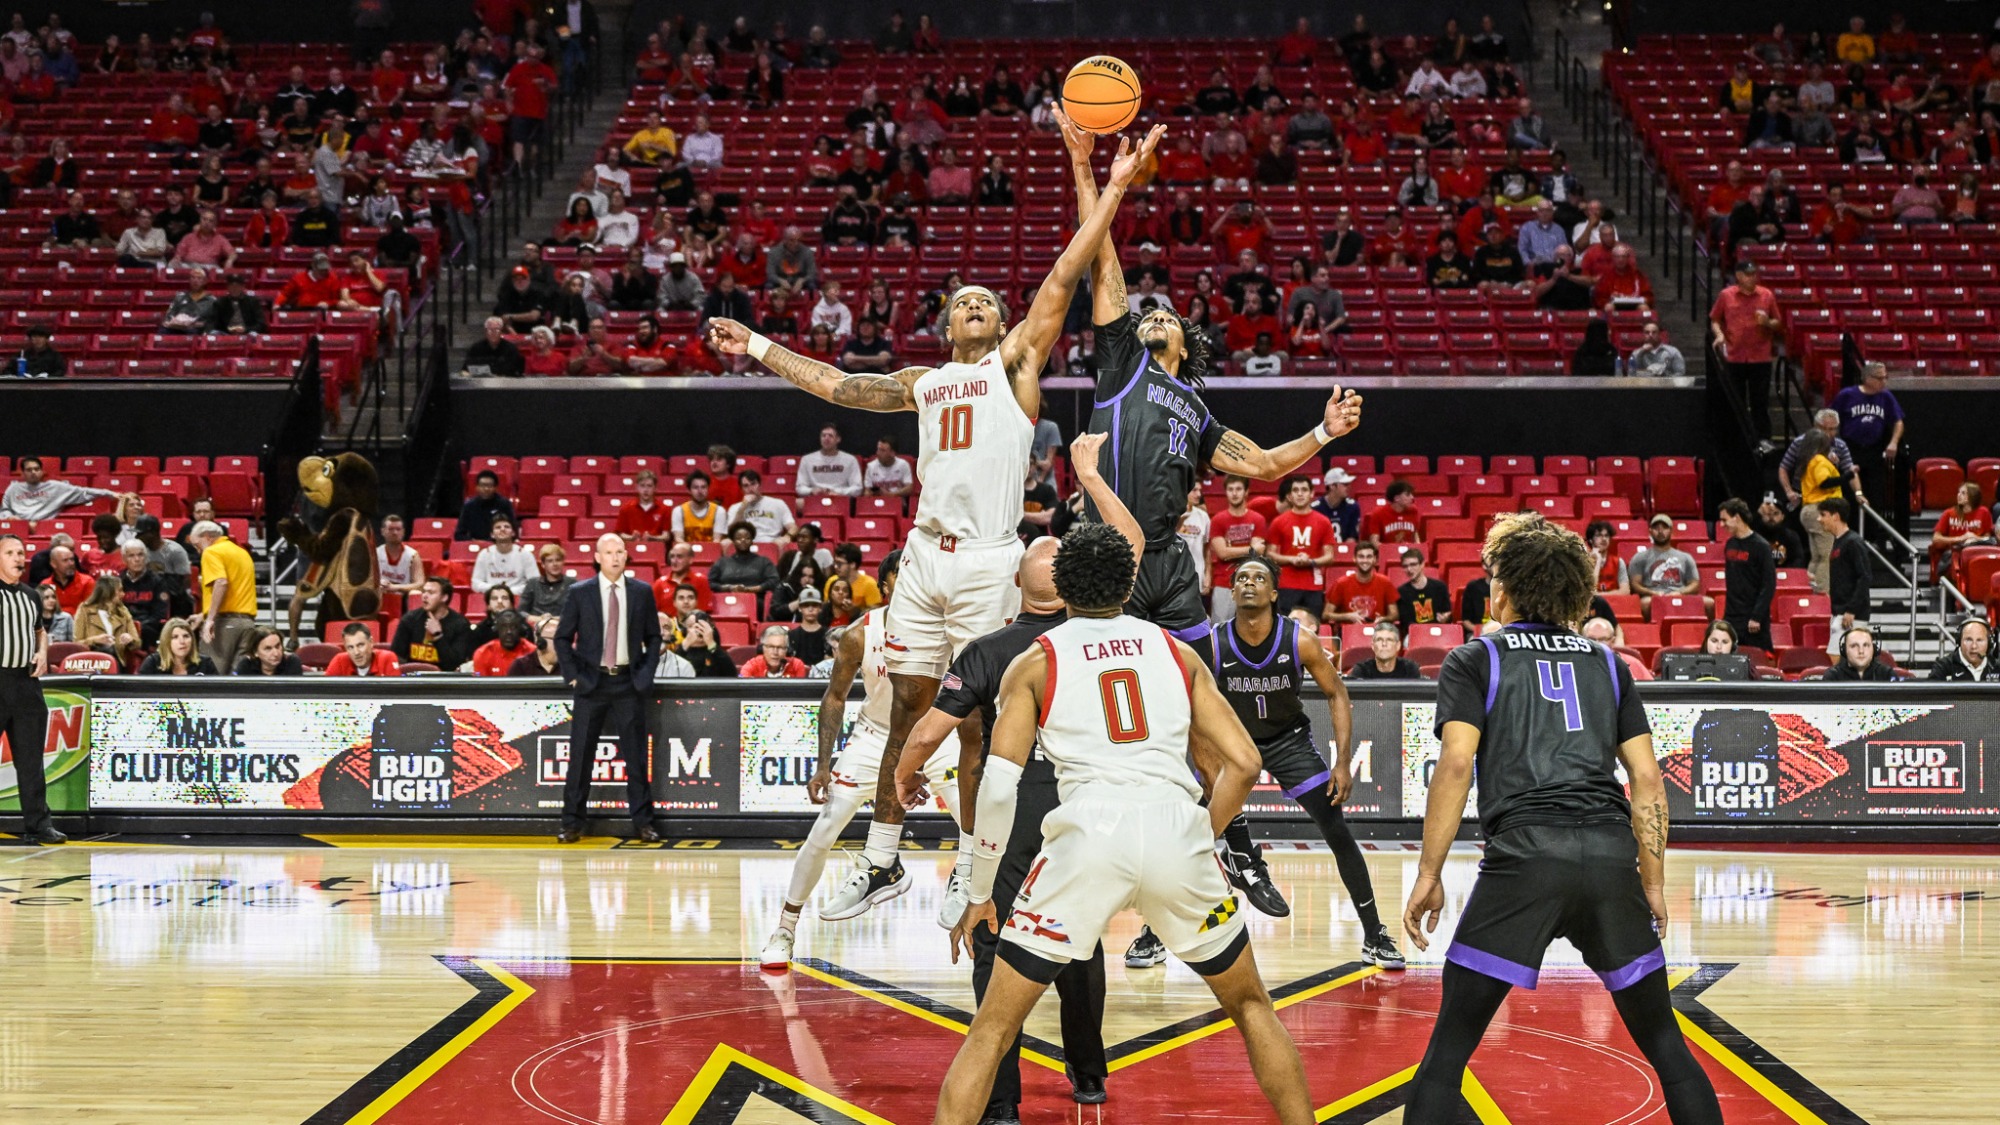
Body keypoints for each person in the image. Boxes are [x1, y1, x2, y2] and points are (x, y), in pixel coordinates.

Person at [706, 121, 1161, 922]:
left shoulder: (1015, 364)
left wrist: (1108, 183)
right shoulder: (921, 380)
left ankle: (972, 871)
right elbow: (839, 385)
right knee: (906, 707)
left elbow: (1066, 272)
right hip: (922, 556)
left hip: (988, 559)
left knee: (976, 719)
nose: (977, 305)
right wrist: (759, 346)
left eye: (988, 301)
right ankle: (882, 859)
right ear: (947, 327)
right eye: (963, 303)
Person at [932, 522, 1313, 1125]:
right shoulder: (1178, 653)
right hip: (1173, 827)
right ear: (1130, 584)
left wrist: (979, 892)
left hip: (1087, 838)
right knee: (1251, 1007)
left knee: (992, 1030)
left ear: (1062, 587)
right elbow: (1244, 763)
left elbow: (999, 788)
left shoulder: (1034, 663)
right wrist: (1202, 835)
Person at [1401, 513, 1720, 1124]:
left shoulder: (1475, 658)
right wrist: (1652, 884)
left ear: (1506, 589)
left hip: (1525, 859)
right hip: (1608, 859)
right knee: (1667, 1047)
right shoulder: (1609, 664)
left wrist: (1429, 873)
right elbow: (1647, 782)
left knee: (1445, 1058)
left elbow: (1457, 764)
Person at [1209, 555, 1406, 963]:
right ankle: (1153, 934)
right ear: (1232, 591)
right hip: (1234, 744)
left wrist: (1343, 761)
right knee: (1187, 833)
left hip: (1288, 741)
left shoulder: (1300, 640)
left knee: (1336, 830)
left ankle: (1375, 933)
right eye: (1241, 577)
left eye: (1258, 577)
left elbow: (1337, 693)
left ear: (1273, 593)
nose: (1248, 583)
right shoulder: (1213, 641)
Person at [552, 533, 663, 843]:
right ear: (598, 557)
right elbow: (562, 638)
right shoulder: (580, 592)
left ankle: (643, 823)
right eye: (609, 552)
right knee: (580, 757)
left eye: (620, 552)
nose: (615, 557)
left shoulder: (641, 592)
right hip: (591, 683)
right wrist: (574, 675)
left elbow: (654, 637)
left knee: (636, 758)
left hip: (628, 682)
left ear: (626, 556)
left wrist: (645, 674)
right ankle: (571, 823)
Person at [0, 535, 63, 842]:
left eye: (21, 552)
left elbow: (40, 631)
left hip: (26, 683)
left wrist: (42, 652)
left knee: (31, 760)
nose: (18, 557)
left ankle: (39, 824)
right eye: (10, 552)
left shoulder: (31, 595)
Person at [1709, 260, 1783, 436]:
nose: (1752, 278)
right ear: (1738, 276)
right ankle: (1737, 440)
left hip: (1760, 357)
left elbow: (1778, 322)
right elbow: (1715, 319)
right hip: (1735, 356)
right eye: (1748, 275)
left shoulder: (1766, 295)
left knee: (1760, 403)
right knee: (1735, 403)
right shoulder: (1726, 295)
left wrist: (1767, 322)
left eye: (1754, 274)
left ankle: (1763, 439)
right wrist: (1719, 335)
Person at [1830, 362, 1905, 533]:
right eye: (1880, 378)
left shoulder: (1886, 397)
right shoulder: (1847, 395)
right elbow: (1830, 419)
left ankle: (1872, 536)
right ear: (1867, 378)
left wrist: (1893, 442)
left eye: (1885, 377)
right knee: (1849, 493)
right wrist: (1832, 447)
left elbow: (1898, 422)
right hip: (1850, 450)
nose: (1884, 381)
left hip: (1874, 451)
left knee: (1875, 494)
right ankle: (1848, 532)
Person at [1260, 476, 1337, 620]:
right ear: (1289, 496)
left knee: (1312, 627)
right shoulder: (1279, 522)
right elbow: (1270, 554)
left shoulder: (1323, 521)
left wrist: (1310, 562)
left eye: (1304, 490)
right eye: (1296, 490)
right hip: (1286, 585)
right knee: (1285, 628)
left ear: (1312, 493)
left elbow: (1330, 557)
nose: (1300, 494)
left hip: (1313, 585)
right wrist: (1292, 559)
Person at [188, 520, 255, 673]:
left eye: (197, 545)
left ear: (207, 537)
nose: (198, 551)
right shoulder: (241, 552)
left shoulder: (211, 552)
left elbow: (221, 582)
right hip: (247, 623)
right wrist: (203, 614)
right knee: (238, 677)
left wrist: (210, 619)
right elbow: (235, 593)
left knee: (211, 675)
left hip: (224, 623)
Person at [1718, 498, 1777, 652]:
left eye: (1724, 520)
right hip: (1731, 616)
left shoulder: (1761, 546)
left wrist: (1756, 616)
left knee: (1758, 659)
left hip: (1753, 619)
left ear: (1737, 517)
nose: (1721, 525)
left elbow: (1768, 585)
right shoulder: (1730, 544)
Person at [1207, 476, 1267, 622]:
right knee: (1220, 628)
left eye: (1238, 489)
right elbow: (1222, 553)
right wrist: (1251, 549)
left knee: (1249, 628)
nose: (1234, 493)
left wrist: (1233, 551)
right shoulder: (1218, 520)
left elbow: (1258, 552)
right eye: (1230, 489)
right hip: (1224, 583)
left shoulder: (1258, 519)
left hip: (1251, 582)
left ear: (1246, 492)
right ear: (1226, 492)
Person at [1818, 498, 1870, 658]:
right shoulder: (1839, 541)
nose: (1819, 519)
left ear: (1835, 516)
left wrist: (1852, 610)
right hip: (1840, 612)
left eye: (1823, 515)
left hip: (1850, 615)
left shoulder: (1853, 542)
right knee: (1842, 662)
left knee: (1838, 659)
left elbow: (1864, 577)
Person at [390, 576, 474, 670]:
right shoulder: (410, 619)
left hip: (444, 678)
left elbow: (454, 665)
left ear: (444, 597)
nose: (424, 596)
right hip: (413, 677)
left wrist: (438, 636)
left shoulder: (461, 625)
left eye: (430, 593)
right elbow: (396, 657)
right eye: (424, 591)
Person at [0, 456, 121, 520]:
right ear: (22, 473)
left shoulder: (55, 487)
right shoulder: (13, 488)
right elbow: (4, 510)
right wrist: (9, 517)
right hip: (18, 527)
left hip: (44, 526)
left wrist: (108, 493)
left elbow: (83, 492)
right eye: (29, 470)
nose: (33, 472)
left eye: (36, 469)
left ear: (42, 472)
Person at [1630, 513, 1703, 617]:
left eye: (1664, 528)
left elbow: (1695, 584)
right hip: (1653, 596)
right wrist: (1652, 593)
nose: (1660, 531)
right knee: (1645, 604)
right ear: (1650, 531)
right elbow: (1635, 584)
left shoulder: (1685, 557)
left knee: (1709, 603)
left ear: (1671, 531)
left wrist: (1680, 592)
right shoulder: (1640, 557)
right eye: (1656, 528)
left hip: (1680, 595)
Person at [73, 575, 140, 667]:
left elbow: (137, 643)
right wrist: (95, 640)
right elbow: (76, 644)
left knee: (110, 653)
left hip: (116, 661)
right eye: (120, 590)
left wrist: (130, 639)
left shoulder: (123, 611)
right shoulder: (85, 610)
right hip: (91, 662)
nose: (123, 594)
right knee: (106, 651)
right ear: (108, 592)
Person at [1327, 542, 1399, 626]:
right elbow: (1326, 614)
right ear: (1354, 559)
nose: (1365, 560)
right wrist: (1347, 616)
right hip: (1349, 630)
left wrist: (1383, 619)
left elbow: (1395, 615)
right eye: (1361, 557)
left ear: (1375, 560)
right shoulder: (1341, 583)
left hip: (1378, 630)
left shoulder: (1385, 582)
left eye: (1369, 557)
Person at [1395, 547, 1453, 633]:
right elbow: (1406, 623)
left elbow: (1448, 615)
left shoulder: (1440, 587)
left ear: (1422, 564)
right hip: (1415, 634)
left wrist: (1445, 618)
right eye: (1405, 566)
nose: (1409, 569)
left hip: (1438, 631)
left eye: (1413, 565)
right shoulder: (1401, 592)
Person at [798, 423, 864, 497]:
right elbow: (800, 488)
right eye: (823, 435)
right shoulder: (806, 460)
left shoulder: (850, 460)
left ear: (838, 439)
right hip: (815, 499)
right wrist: (811, 490)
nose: (826, 438)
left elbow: (857, 488)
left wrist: (839, 492)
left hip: (840, 499)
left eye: (830, 436)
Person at [470, 517, 531, 595]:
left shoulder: (526, 555)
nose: (502, 529)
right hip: (491, 598)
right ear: (492, 534)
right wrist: (495, 590)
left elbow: (534, 585)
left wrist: (510, 591)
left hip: (518, 597)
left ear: (513, 533)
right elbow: (475, 584)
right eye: (498, 527)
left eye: (507, 527)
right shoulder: (484, 554)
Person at [138, 618, 218, 676]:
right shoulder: (152, 663)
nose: (182, 641)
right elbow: (139, 692)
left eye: (186, 636)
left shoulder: (205, 664)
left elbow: (218, 691)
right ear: (166, 641)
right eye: (175, 637)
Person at [1349, 619, 1424, 680]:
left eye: (1389, 640)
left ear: (1398, 646)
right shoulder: (1362, 671)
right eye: (1379, 640)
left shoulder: (1409, 669)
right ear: (1373, 646)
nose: (1384, 644)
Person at [453, 470, 517, 540]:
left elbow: (513, 531)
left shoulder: (504, 504)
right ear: (477, 487)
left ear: (495, 488)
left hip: (498, 543)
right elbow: (459, 534)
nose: (486, 489)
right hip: (475, 544)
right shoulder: (469, 506)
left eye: (490, 486)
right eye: (483, 485)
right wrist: (474, 542)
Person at [1929, 617, 1998, 682]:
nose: (1974, 646)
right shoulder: (1943, 667)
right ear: (1959, 641)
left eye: (1979, 640)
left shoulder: (1997, 666)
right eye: (1969, 640)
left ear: (1989, 643)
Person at [324, 621, 401, 676]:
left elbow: (396, 692)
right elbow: (324, 691)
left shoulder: (387, 658)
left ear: (371, 642)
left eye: (360, 645)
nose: (356, 652)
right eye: (350, 647)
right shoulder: (339, 661)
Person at [1824, 624, 1895, 681]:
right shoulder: (1833, 676)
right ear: (1844, 650)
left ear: (1874, 649)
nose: (1861, 651)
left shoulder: (1887, 674)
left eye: (1866, 645)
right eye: (1854, 646)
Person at [234, 627, 304, 675]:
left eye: (277, 646)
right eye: (268, 649)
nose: (276, 653)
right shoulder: (246, 665)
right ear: (255, 652)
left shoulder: (291, 662)